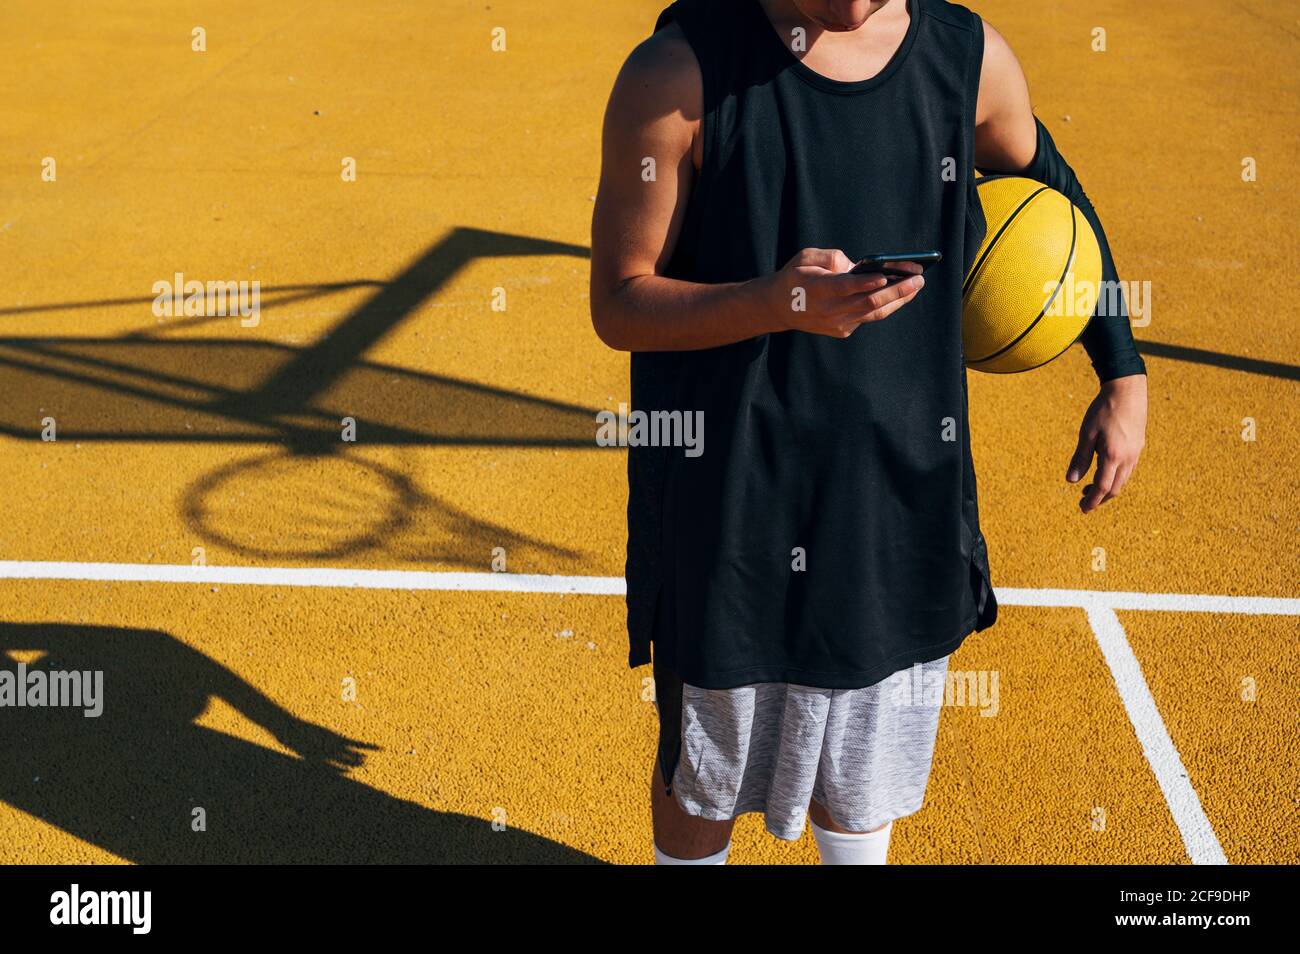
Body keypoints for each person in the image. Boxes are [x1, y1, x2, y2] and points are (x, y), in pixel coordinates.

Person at [589, 0, 1148, 865]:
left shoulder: (970, 60)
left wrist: (1122, 371)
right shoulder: (676, 77)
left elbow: (1061, 199)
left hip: (897, 494)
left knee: (864, 777)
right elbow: (620, 302)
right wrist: (774, 302)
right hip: (733, 502)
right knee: (705, 773)